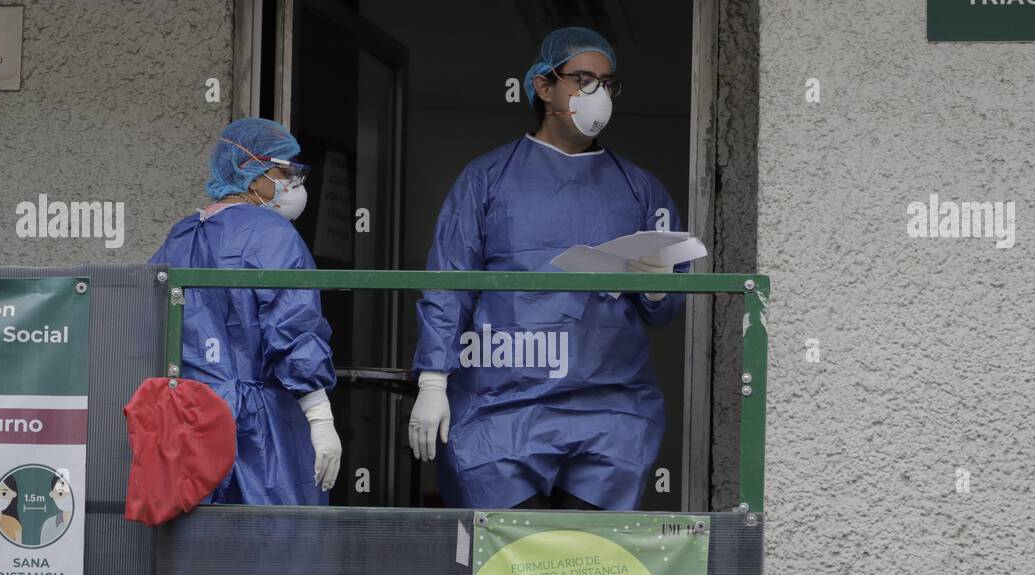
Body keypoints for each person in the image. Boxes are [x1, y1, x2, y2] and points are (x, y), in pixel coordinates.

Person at [409, 27, 685, 511]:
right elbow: (450, 285)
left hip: (610, 407)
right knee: (510, 567)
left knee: (585, 568)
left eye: (607, 83)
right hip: (501, 403)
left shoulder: (640, 189)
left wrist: (660, 289)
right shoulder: (486, 180)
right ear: (543, 86)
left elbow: (663, 311)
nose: (597, 94)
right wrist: (433, 378)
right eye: (582, 79)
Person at [151, 117, 341, 505]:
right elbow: (293, 326)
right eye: (283, 172)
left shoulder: (182, 234)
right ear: (251, 176)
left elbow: (148, 324)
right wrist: (320, 417)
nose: (294, 184)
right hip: (260, 428)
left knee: (199, 550)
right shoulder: (273, 234)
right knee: (273, 551)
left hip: (188, 423)